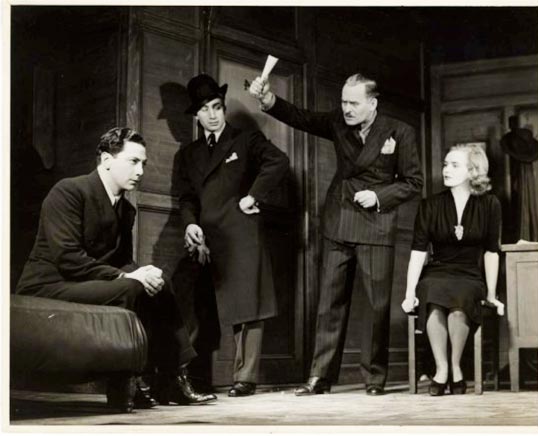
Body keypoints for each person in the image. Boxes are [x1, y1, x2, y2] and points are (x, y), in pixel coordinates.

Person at [16, 127, 217, 411]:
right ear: (107, 160)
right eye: (133, 161)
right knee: (131, 287)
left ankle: (172, 379)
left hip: (87, 281)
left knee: (159, 283)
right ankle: (132, 380)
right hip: (50, 283)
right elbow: (68, 258)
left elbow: (121, 259)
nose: (141, 171)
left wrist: (145, 274)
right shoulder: (69, 191)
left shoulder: (126, 209)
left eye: (143, 163)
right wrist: (127, 275)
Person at [249, 73, 423, 396]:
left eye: (354, 103)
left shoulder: (400, 131)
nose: (346, 109)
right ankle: (320, 376)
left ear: (373, 103)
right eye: (343, 102)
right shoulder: (337, 122)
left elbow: (413, 183)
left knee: (376, 306)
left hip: (377, 223)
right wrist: (269, 100)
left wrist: (379, 196)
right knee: (329, 302)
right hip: (338, 220)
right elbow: (300, 117)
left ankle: (374, 378)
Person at [178, 74, 289, 397]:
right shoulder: (188, 154)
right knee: (198, 305)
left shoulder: (245, 139)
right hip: (205, 238)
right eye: (205, 109)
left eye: (217, 107)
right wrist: (190, 223)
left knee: (248, 306)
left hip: (241, 232)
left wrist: (253, 195)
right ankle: (193, 377)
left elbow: (278, 162)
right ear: (196, 115)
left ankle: (245, 377)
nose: (212, 115)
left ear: (223, 107)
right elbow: (187, 197)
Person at [401, 143, 505, 396]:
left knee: (461, 300)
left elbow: (492, 251)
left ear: (473, 171)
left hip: (469, 274)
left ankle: (456, 367)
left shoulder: (490, 204)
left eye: (454, 165)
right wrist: (409, 293)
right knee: (432, 291)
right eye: (445, 164)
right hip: (437, 270)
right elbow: (418, 252)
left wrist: (492, 294)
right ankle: (442, 369)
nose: (446, 169)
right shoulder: (430, 205)